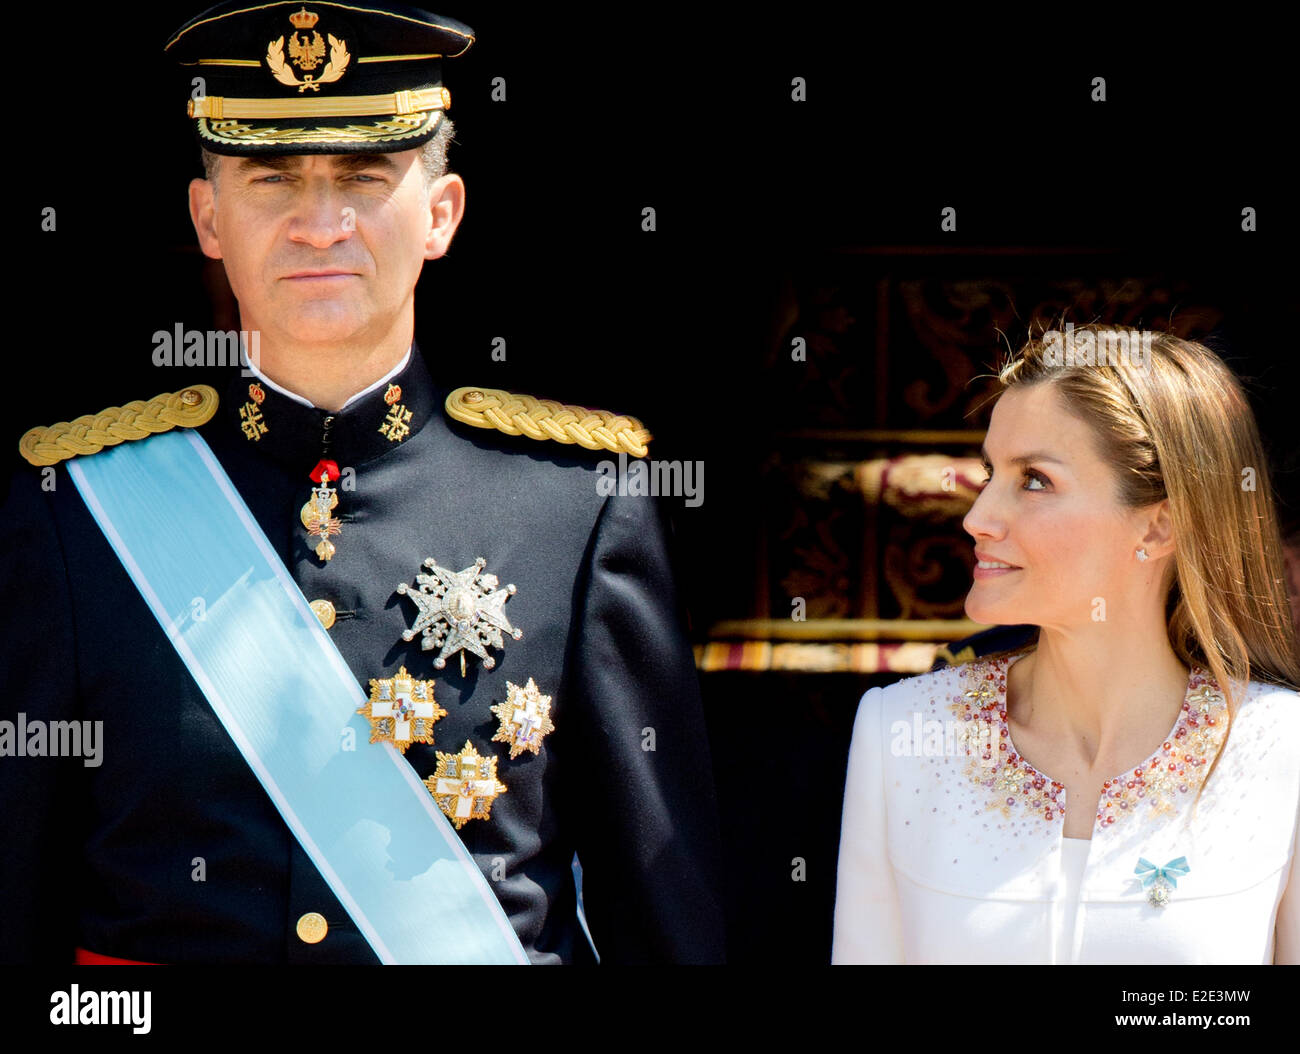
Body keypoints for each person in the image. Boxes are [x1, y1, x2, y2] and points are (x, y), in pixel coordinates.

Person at [0, 1, 725, 964]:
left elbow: (663, 907)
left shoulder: (574, 504)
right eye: (272, 181)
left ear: (441, 213)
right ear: (208, 218)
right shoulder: (78, 511)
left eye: (363, 178)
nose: (319, 225)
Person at [831, 323, 1300, 964]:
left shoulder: (1280, 746)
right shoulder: (901, 732)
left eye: (1034, 481)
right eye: (992, 471)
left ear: (1159, 525)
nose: (976, 517)